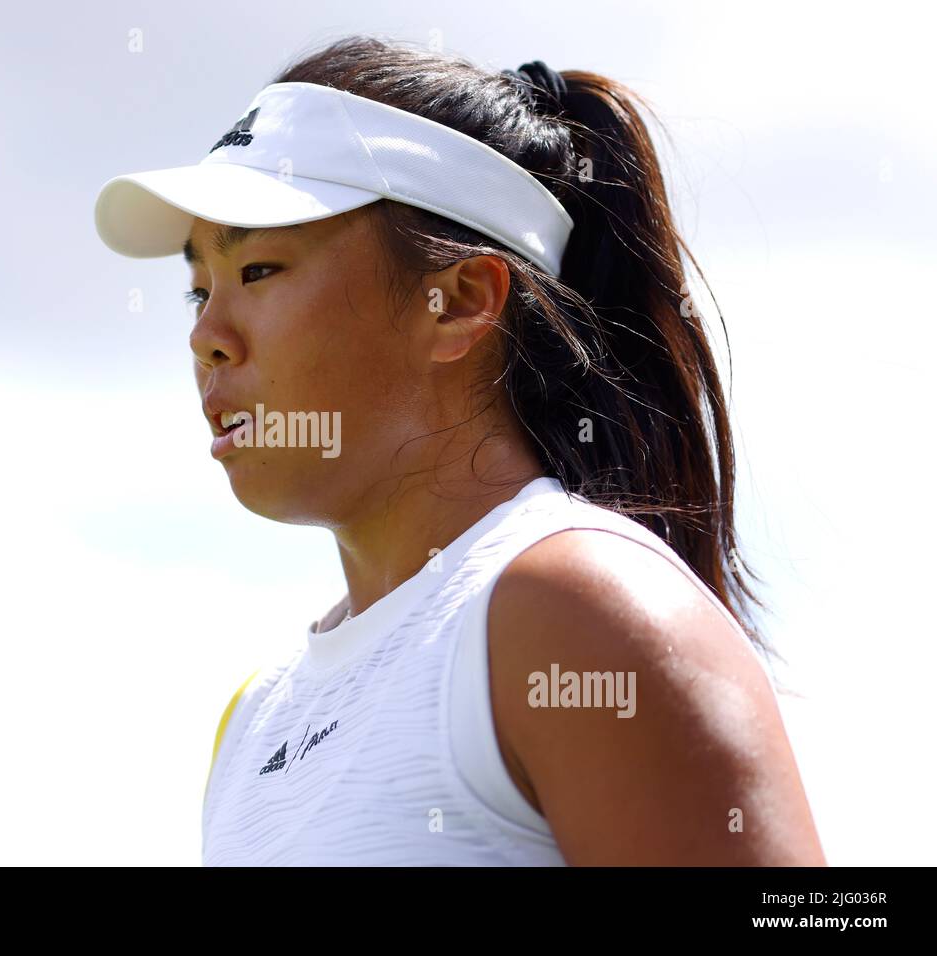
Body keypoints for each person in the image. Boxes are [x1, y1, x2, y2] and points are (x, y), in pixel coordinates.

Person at [93, 36, 825, 866]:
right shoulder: (256, 719)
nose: (206, 337)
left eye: (258, 269)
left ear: (460, 303)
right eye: (198, 289)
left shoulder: (574, 608)